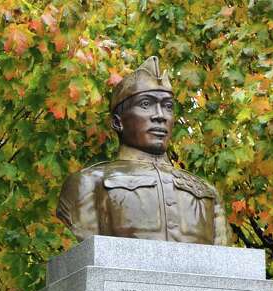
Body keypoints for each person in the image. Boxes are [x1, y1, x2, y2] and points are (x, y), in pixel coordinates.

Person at [57, 56, 231, 245]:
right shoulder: (88, 183)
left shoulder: (208, 192)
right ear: (118, 122)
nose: (160, 116)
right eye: (146, 104)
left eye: (168, 106)